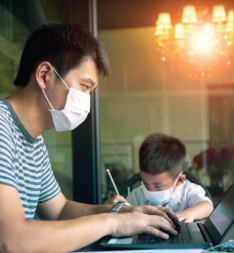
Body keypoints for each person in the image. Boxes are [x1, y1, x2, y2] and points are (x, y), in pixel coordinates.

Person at [0, 22, 179, 252]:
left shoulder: (34, 143)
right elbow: (12, 241)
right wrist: (113, 223)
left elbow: (60, 210)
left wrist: (123, 212)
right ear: (44, 76)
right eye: (84, 86)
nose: (87, 101)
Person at [105, 133, 213, 222]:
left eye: (158, 185)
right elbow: (121, 214)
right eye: (145, 183)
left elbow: (207, 206)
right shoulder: (138, 195)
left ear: (179, 180)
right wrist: (111, 207)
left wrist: (189, 213)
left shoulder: (188, 191)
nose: (149, 190)